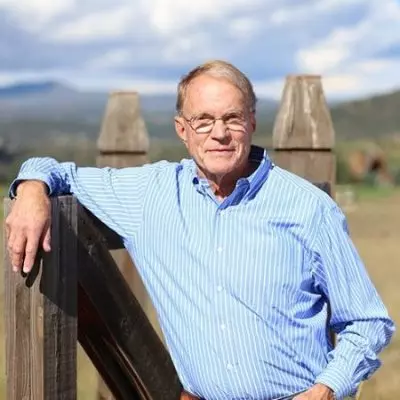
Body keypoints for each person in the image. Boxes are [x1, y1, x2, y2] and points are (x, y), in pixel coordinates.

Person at [5, 60, 394, 400]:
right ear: (181, 130)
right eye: (203, 121)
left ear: (252, 122)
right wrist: (32, 191)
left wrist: (327, 387)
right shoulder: (152, 195)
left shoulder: (309, 209)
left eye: (232, 119)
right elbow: (54, 169)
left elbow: (368, 322)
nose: (219, 133)